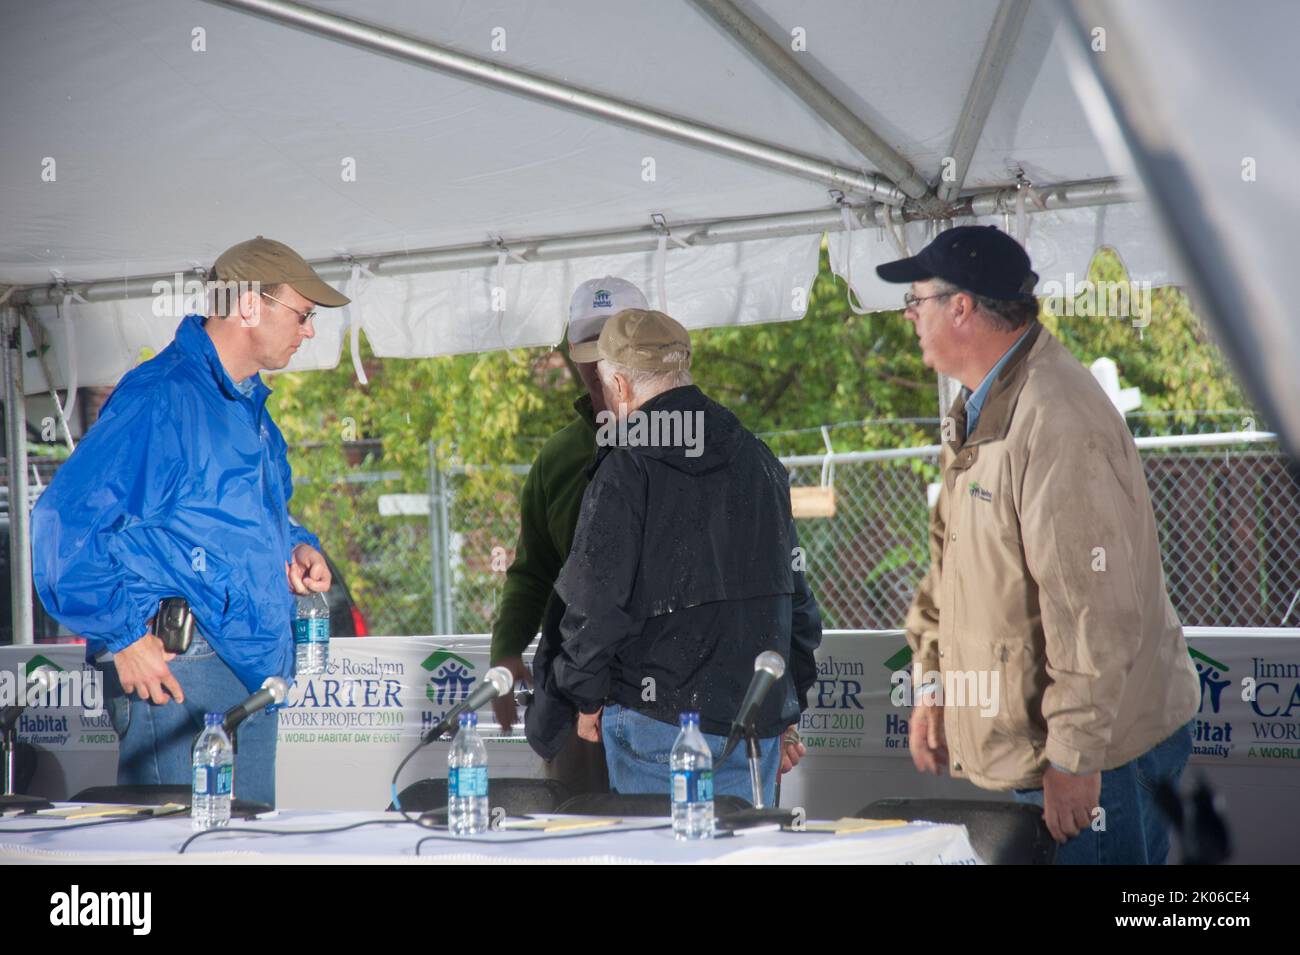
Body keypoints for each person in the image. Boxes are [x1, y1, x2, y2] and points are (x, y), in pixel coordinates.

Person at [879, 225, 1200, 864]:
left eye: (916, 300)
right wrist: (935, 685)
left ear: (961, 306)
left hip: (1098, 758)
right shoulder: (983, 406)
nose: (910, 316)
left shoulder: (1056, 417)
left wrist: (1076, 758)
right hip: (1041, 755)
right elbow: (950, 570)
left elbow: (1093, 607)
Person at [32, 236, 347, 808]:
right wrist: (124, 636)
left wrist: (297, 549)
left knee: (243, 849)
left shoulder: (245, 406)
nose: (309, 331)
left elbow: (239, 516)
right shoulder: (164, 396)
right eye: (303, 315)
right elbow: (62, 522)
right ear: (250, 307)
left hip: (247, 665)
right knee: (179, 846)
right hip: (182, 659)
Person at [527, 308, 822, 805]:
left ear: (619, 385)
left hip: (658, 721)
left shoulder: (627, 465)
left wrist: (583, 694)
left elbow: (597, 603)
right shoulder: (757, 457)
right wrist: (788, 704)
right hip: (755, 719)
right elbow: (793, 594)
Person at [490, 276, 649, 795]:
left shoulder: (695, 445)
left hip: (674, 706)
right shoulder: (557, 458)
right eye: (588, 348)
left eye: (613, 345)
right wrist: (507, 649)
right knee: (581, 834)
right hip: (579, 702)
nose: (600, 364)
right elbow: (533, 568)